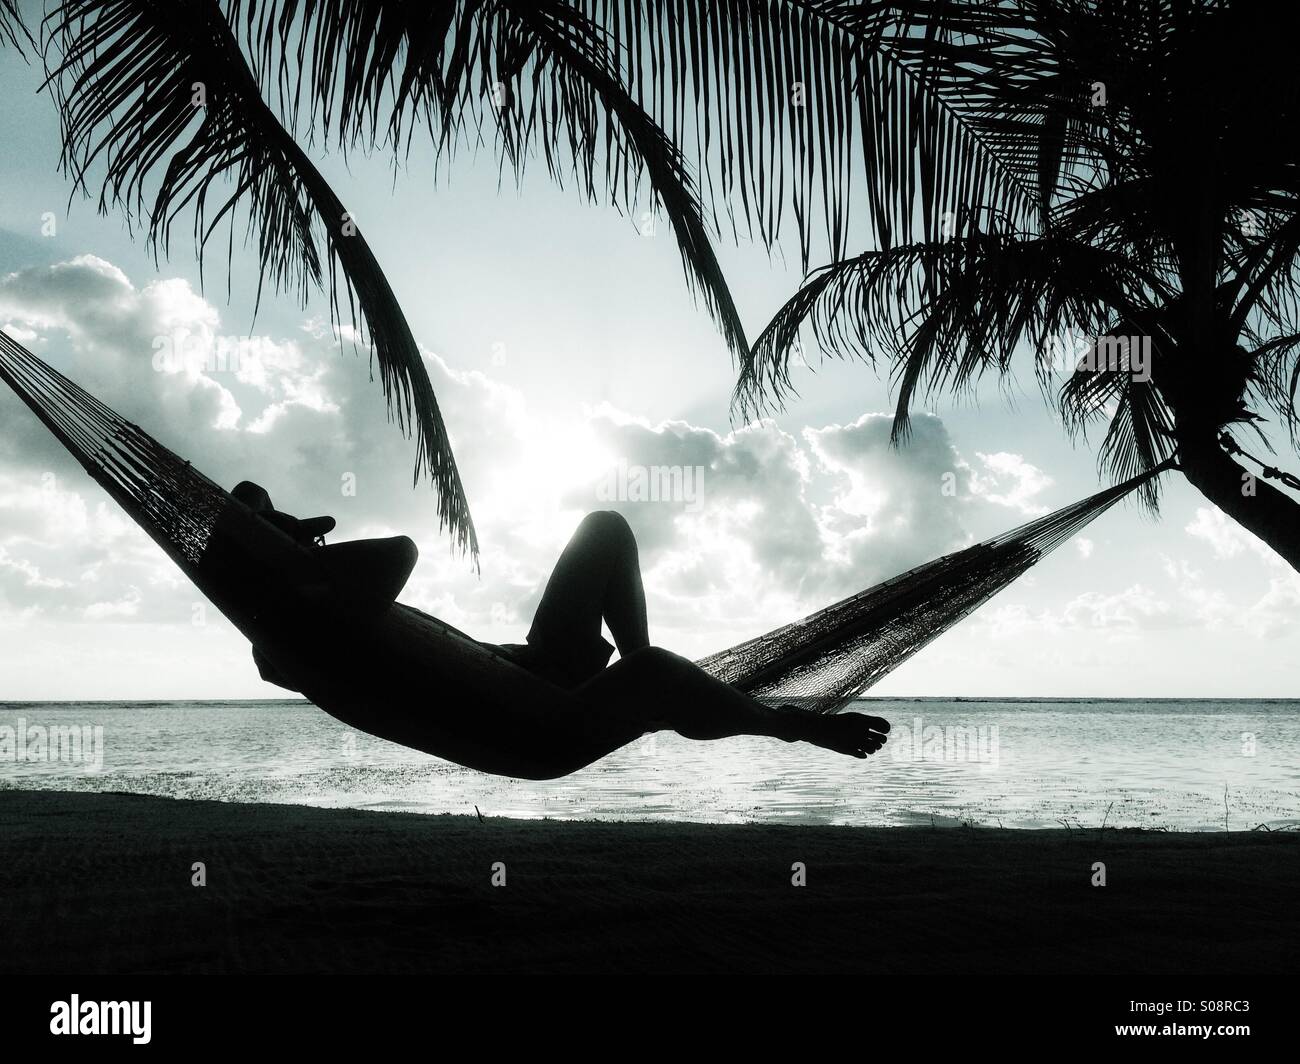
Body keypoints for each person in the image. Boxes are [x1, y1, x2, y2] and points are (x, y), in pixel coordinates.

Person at [234, 483, 890, 760]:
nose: (315, 539)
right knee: (657, 673)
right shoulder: (315, 629)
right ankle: (788, 726)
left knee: (604, 529)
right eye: (295, 539)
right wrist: (291, 544)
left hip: (529, 667)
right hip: (535, 716)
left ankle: (647, 679)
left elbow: (247, 506)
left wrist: (278, 530)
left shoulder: (306, 627)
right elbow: (397, 553)